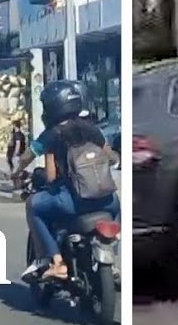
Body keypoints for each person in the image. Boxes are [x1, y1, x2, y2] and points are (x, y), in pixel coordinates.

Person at [20, 80, 120, 281]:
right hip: (107, 200)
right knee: (117, 208)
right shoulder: (93, 130)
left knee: (33, 206)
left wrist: (16, 173)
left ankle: (58, 263)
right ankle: (112, 260)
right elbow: (112, 158)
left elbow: (33, 161)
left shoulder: (52, 134)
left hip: (72, 201)